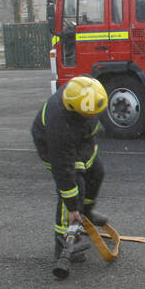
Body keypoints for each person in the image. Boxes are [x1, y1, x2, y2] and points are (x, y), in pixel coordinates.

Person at [31, 75, 110, 267]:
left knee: (97, 173)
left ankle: (87, 213)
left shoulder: (84, 90)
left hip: (80, 139)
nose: (95, 117)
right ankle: (63, 243)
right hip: (53, 149)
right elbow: (63, 171)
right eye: (91, 114)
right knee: (74, 187)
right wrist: (73, 206)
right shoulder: (59, 126)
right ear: (76, 111)